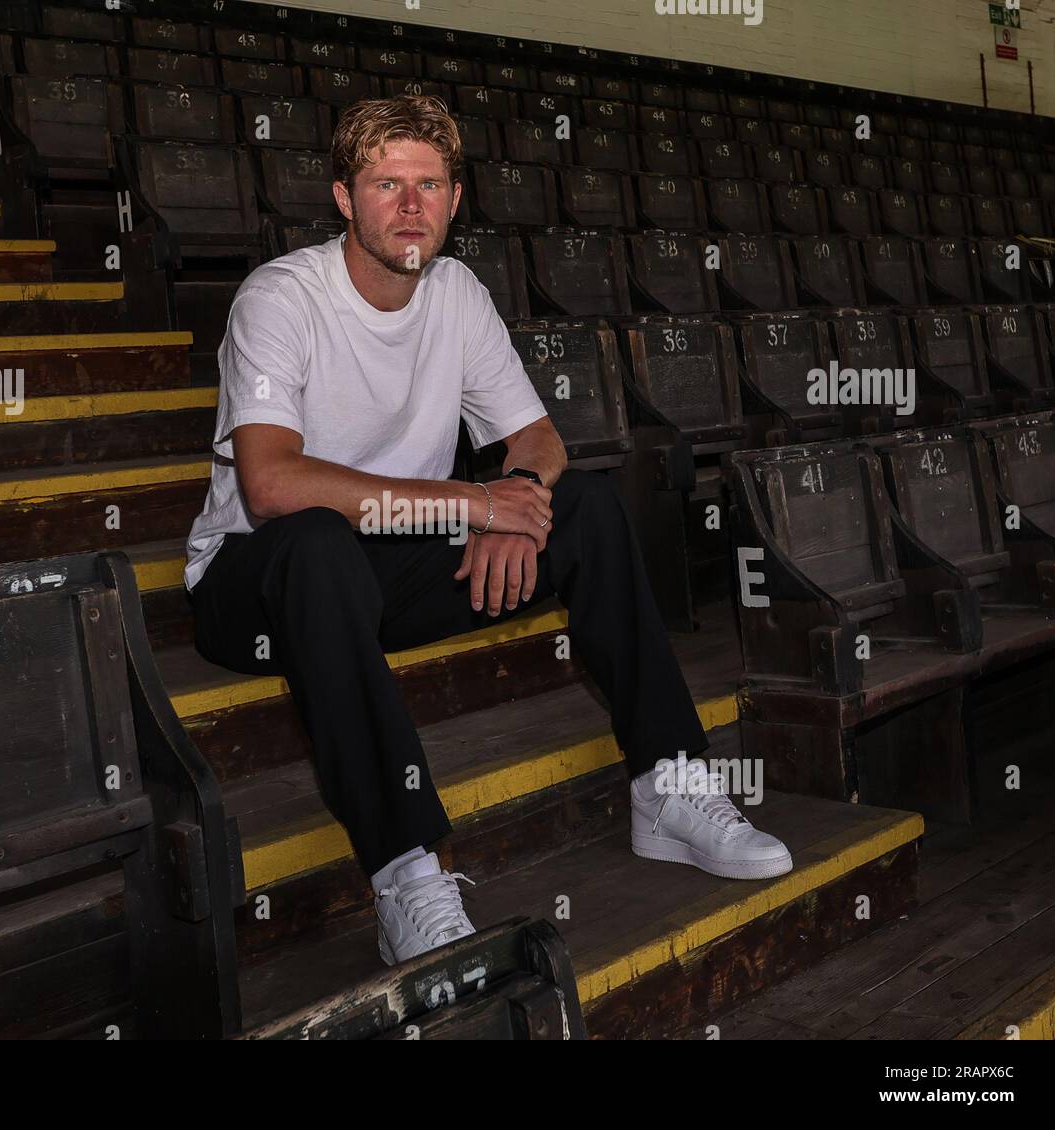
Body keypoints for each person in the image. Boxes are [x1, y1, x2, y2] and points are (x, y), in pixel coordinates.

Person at [185, 95, 792, 967]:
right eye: (385, 183)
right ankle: (405, 869)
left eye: (428, 184)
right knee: (318, 546)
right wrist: (475, 506)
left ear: (456, 201)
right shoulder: (280, 299)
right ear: (344, 199)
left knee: (583, 504)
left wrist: (516, 495)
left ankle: (669, 782)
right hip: (260, 586)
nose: (409, 204)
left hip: (389, 570)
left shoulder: (458, 293)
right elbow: (274, 484)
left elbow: (537, 440)